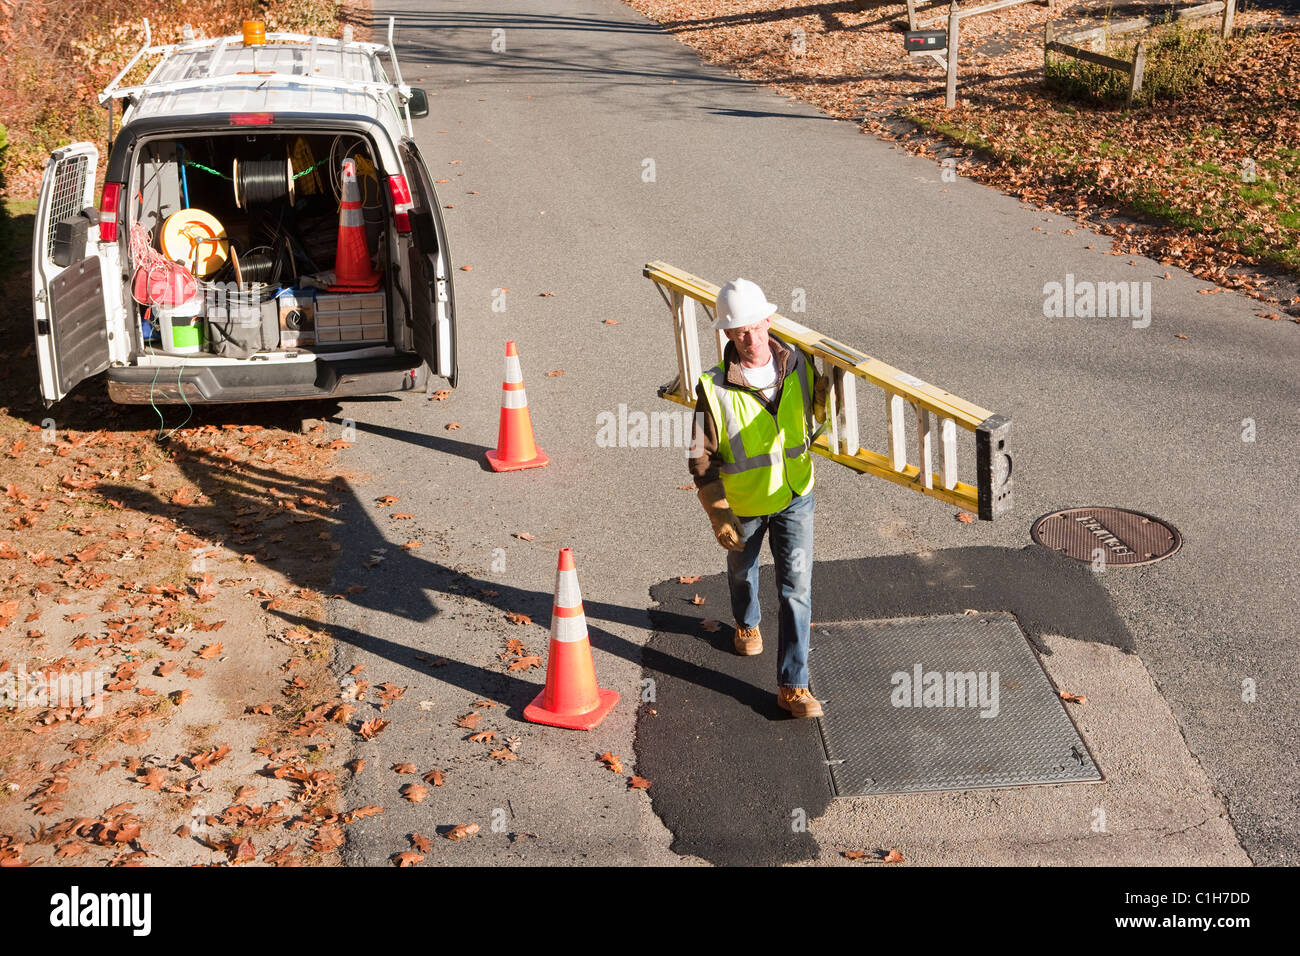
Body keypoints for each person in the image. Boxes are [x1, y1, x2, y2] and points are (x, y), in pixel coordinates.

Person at [689, 278, 828, 718]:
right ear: (726, 334)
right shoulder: (713, 387)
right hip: (744, 503)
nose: (749, 338)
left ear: (768, 320)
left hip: (794, 494)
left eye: (754, 326)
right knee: (742, 571)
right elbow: (700, 455)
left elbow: (820, 414)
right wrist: (718, 511)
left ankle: (794, 685)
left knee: (796, 588)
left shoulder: (799, 364)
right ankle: (747, 622)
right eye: (738, 331)